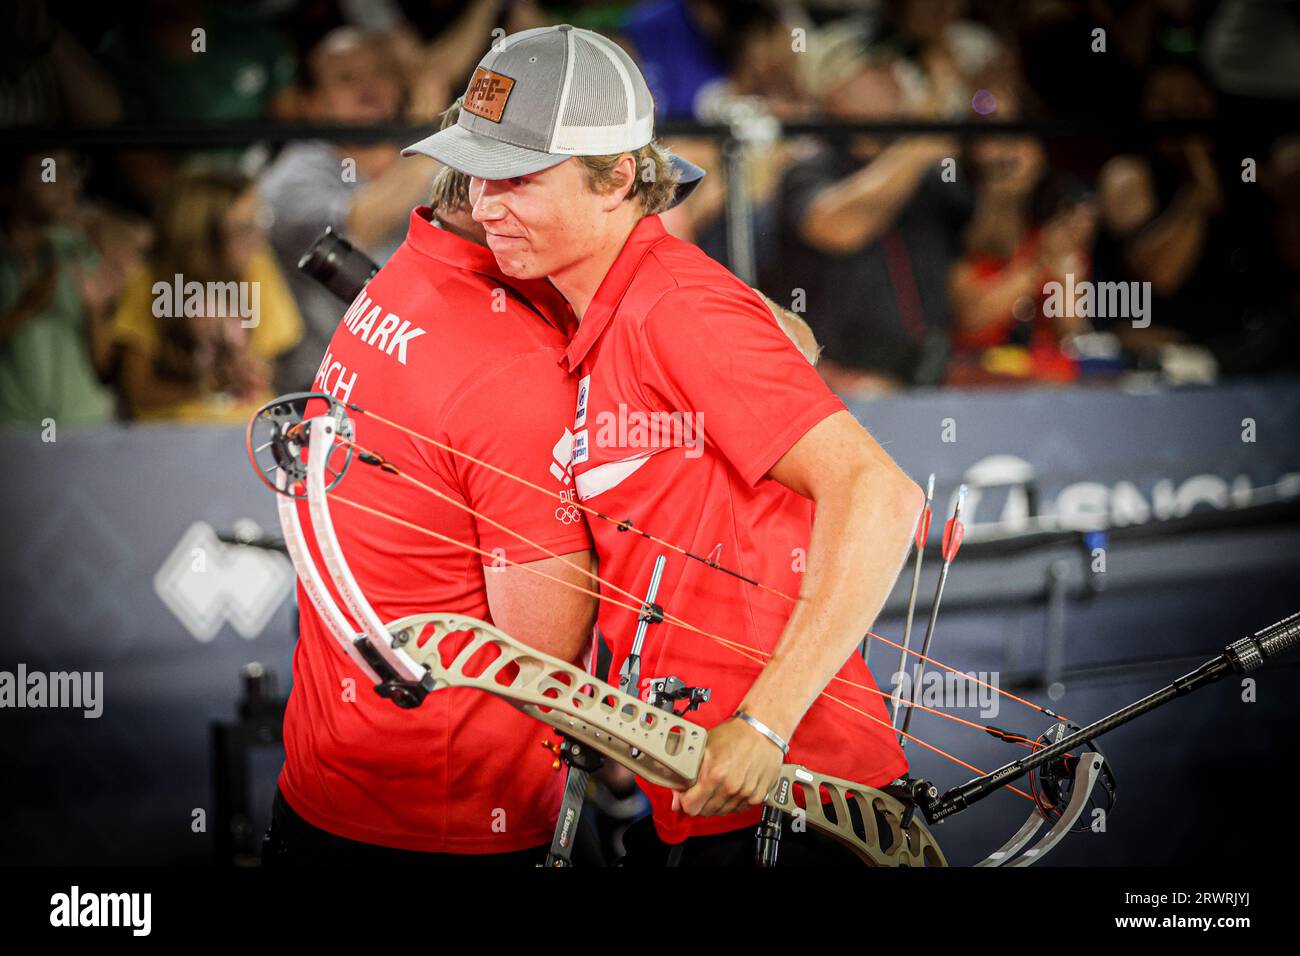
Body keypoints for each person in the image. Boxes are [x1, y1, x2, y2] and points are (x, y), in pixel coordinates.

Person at [407, 25, 923, 866]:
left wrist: (764, 723)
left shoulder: (671, 306)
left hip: (802, 802)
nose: (486, 205)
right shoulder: (602, 301)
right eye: (478, 175)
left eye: (521, 179)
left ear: (617, 179)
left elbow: (881, 494)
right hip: (709, 796)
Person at [262, 102, 599, 865]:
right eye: (600, 190)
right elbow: (541, 657)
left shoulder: (402, 279)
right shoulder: (512, 365)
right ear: (510, 190)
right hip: (447, 820)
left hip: (332, 790)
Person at [258, 26, 439, 393]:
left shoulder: (427, 158)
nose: (367, 87)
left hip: (427, 376)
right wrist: (435, 137)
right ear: (311, 102)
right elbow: (355, 231)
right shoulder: (292, 175)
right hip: (329, 389)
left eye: (380, 72)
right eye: (345, 78)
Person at [112, 169, 302, 423]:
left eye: (262, 221)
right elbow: (140, 392)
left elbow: (269, 365)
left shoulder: (257, 267)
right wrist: (213, 384)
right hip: (171, 437)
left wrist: (255, 371)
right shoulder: (151, 283)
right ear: (201, 236)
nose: (258, 239)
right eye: (244, 229)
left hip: (249, 430)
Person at [0, 150, 123, 426]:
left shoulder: (79, 251)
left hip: (80, 422)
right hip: (11, 431)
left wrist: (97, 313)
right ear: (8, 188)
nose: (71, 185)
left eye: (71, 173)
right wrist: (25, 309)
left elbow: (103, 364)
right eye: (50, 173)